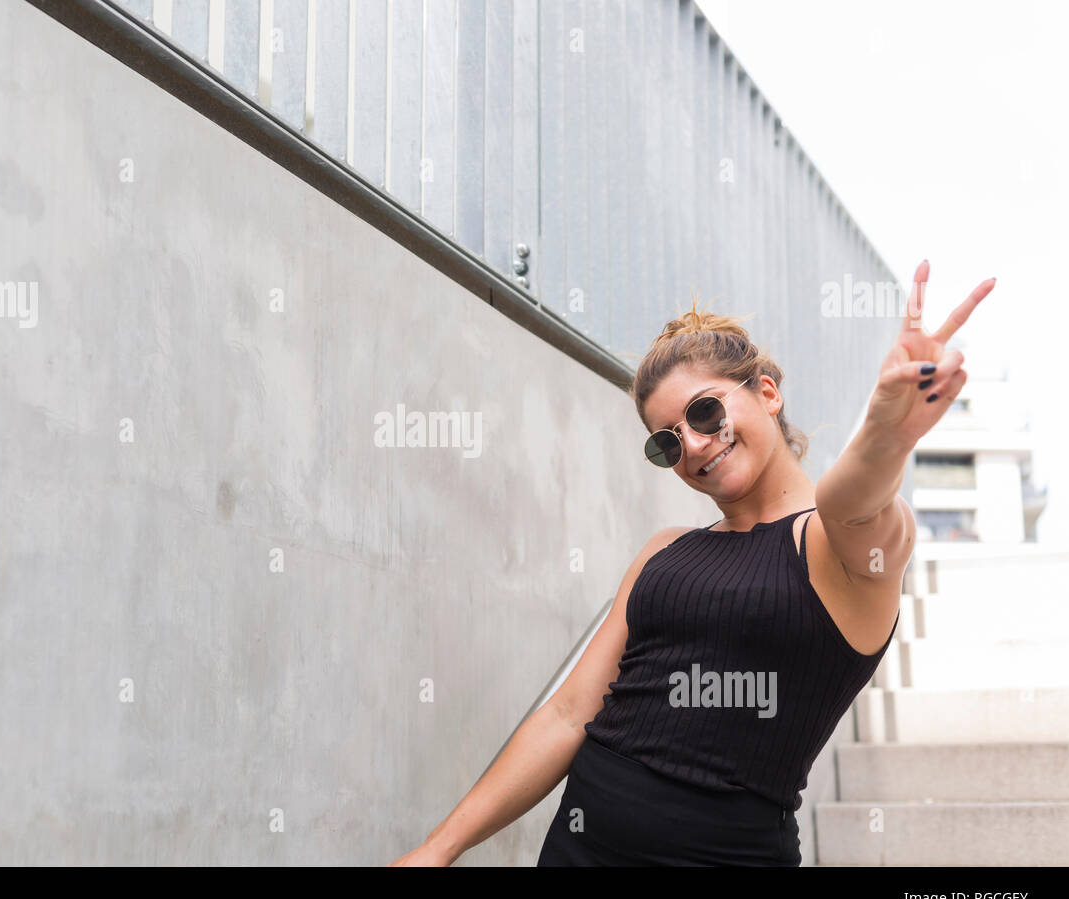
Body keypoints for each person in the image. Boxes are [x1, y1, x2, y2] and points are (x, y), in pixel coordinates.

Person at [389, 260, 996, 866]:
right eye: (668, 441)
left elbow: (853, 500)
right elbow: (568, 715)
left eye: (705, 413)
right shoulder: (664, 550)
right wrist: (436, 851)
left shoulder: (838, 545)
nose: (696, 445)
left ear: (765, 392)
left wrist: (885, 434)